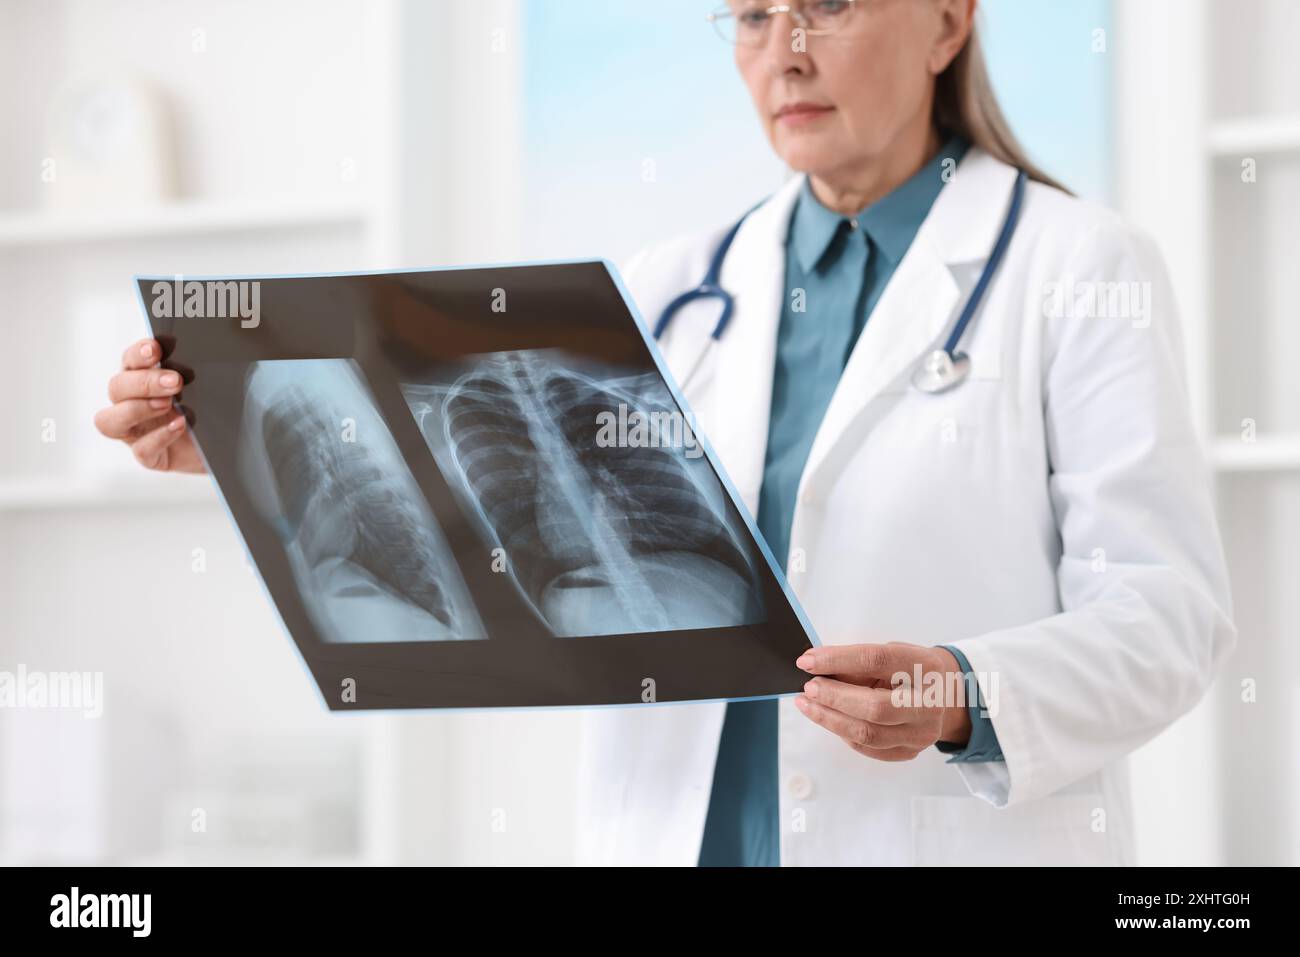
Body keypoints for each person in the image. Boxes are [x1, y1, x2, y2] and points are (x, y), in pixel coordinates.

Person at [96, 0, 1236, 867]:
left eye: (828, 4)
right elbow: (488, 518)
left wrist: (965, 694)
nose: (784, 48)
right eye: (750, 13)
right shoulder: (670, 287)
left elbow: (1166, 613)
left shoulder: (1079, 268)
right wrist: (243, 442)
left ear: (948, 20)